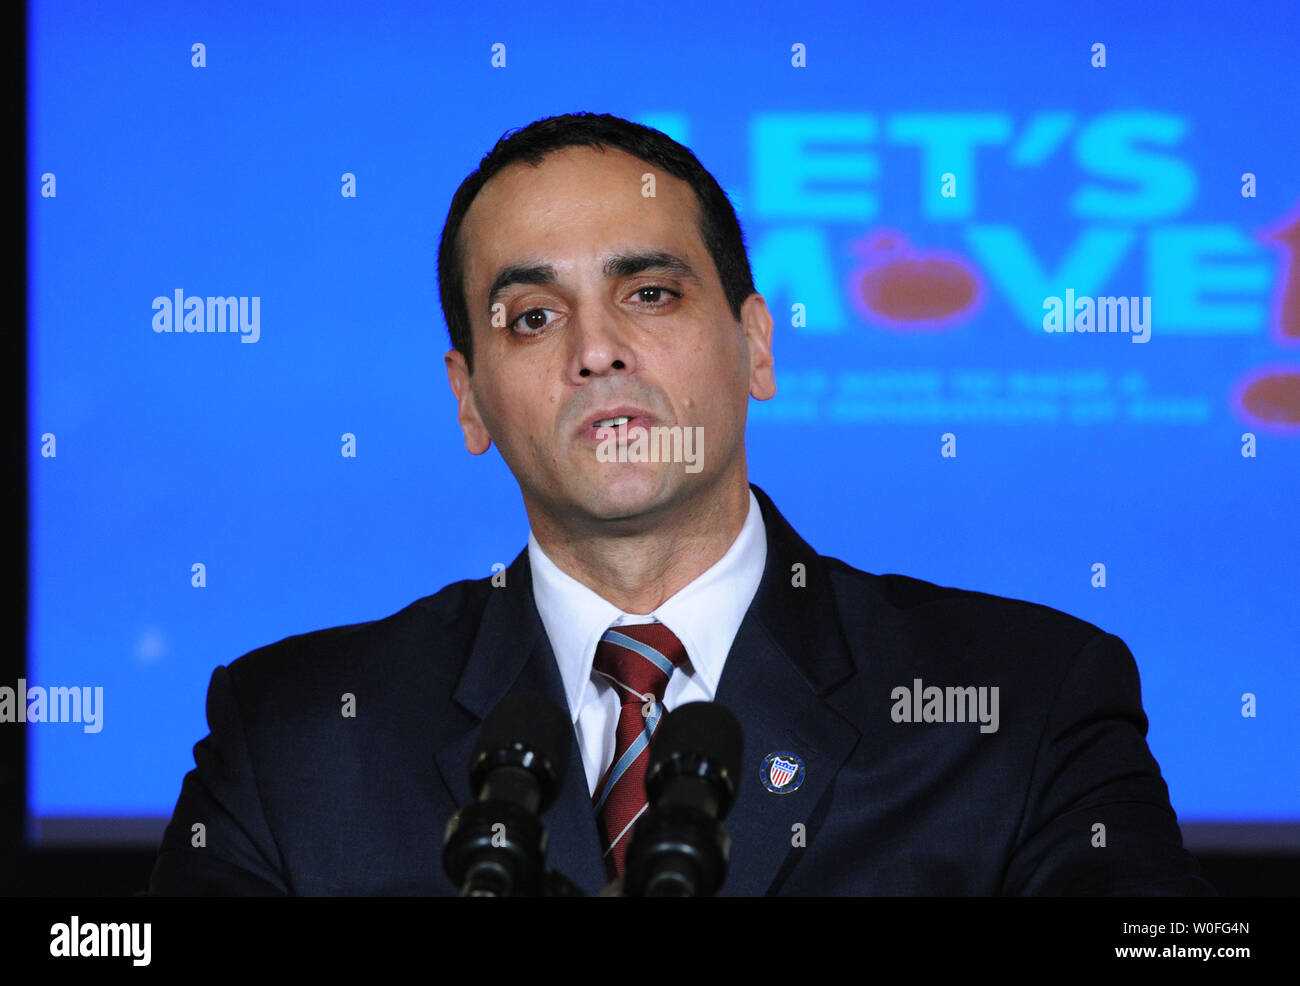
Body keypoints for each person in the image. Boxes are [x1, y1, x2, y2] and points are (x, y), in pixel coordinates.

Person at [147, 112, 1213, 896]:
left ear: (755, 344)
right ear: (467, 398)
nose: (595, 348)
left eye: (648, 293)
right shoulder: (294, 740)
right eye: (528, 317)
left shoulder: (1021, 704)